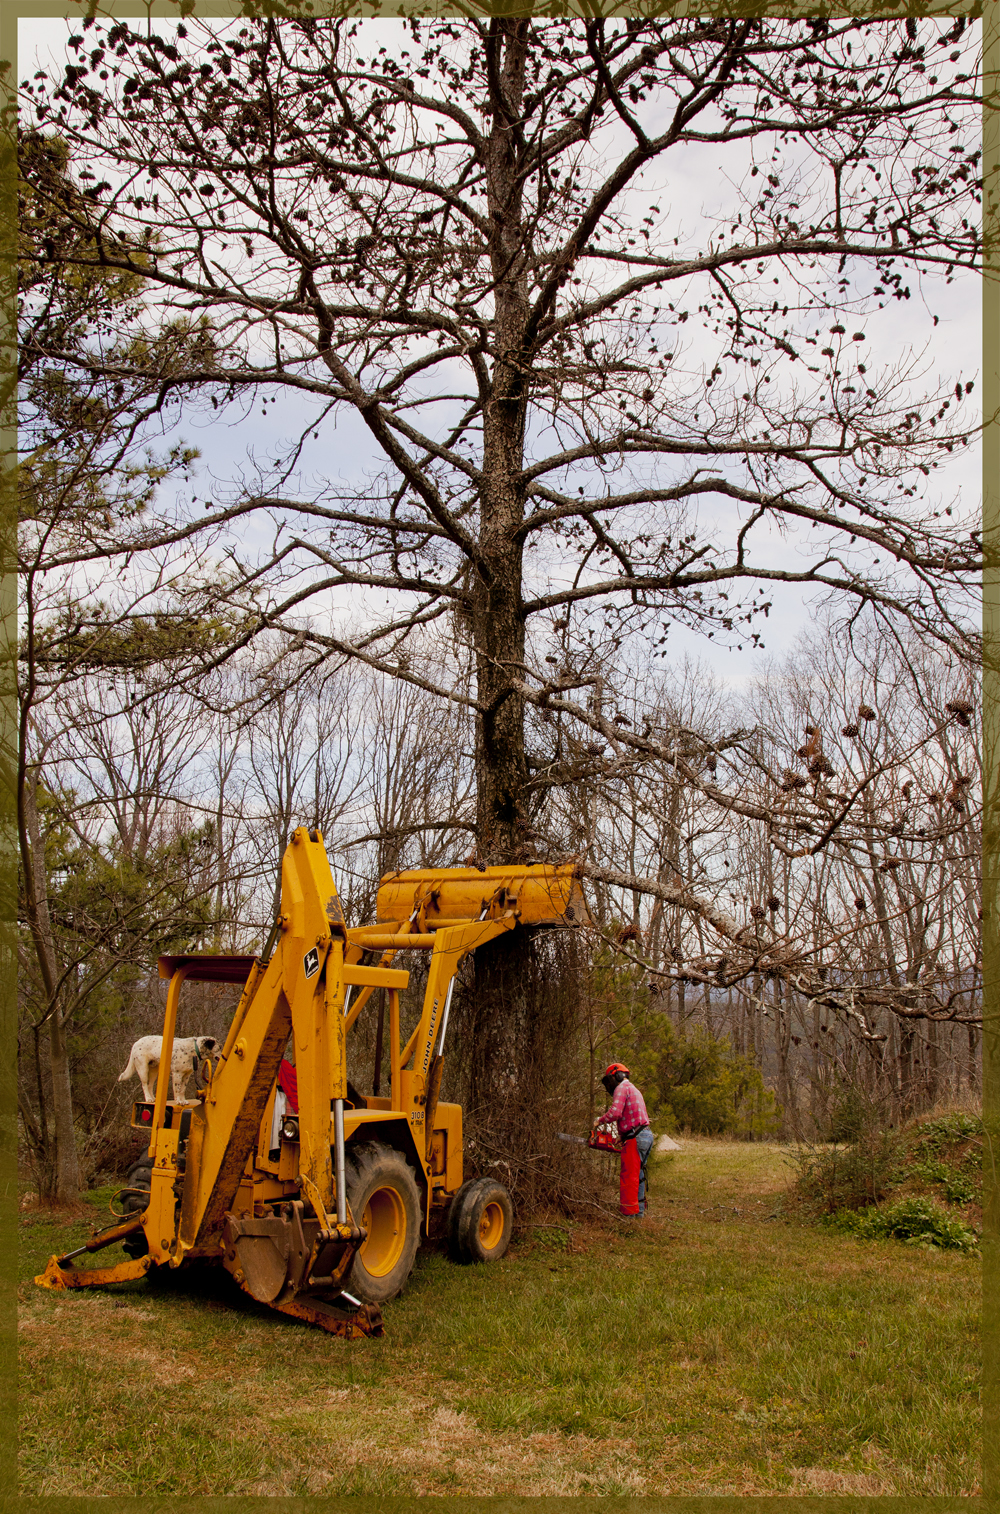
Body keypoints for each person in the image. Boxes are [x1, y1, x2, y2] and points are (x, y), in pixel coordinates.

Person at [594, 1062, 654, 1217]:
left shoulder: (621, 1088)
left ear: (617, 1075)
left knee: (629, 1176)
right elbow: (632, 1116)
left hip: (636, 1137)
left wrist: (600, 1120)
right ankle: (638, 1212)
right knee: (638, 1176)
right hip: (644, 1135)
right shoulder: (633, 1089)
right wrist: (623, 1136)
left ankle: (629, 1214)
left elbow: (615, 1112)